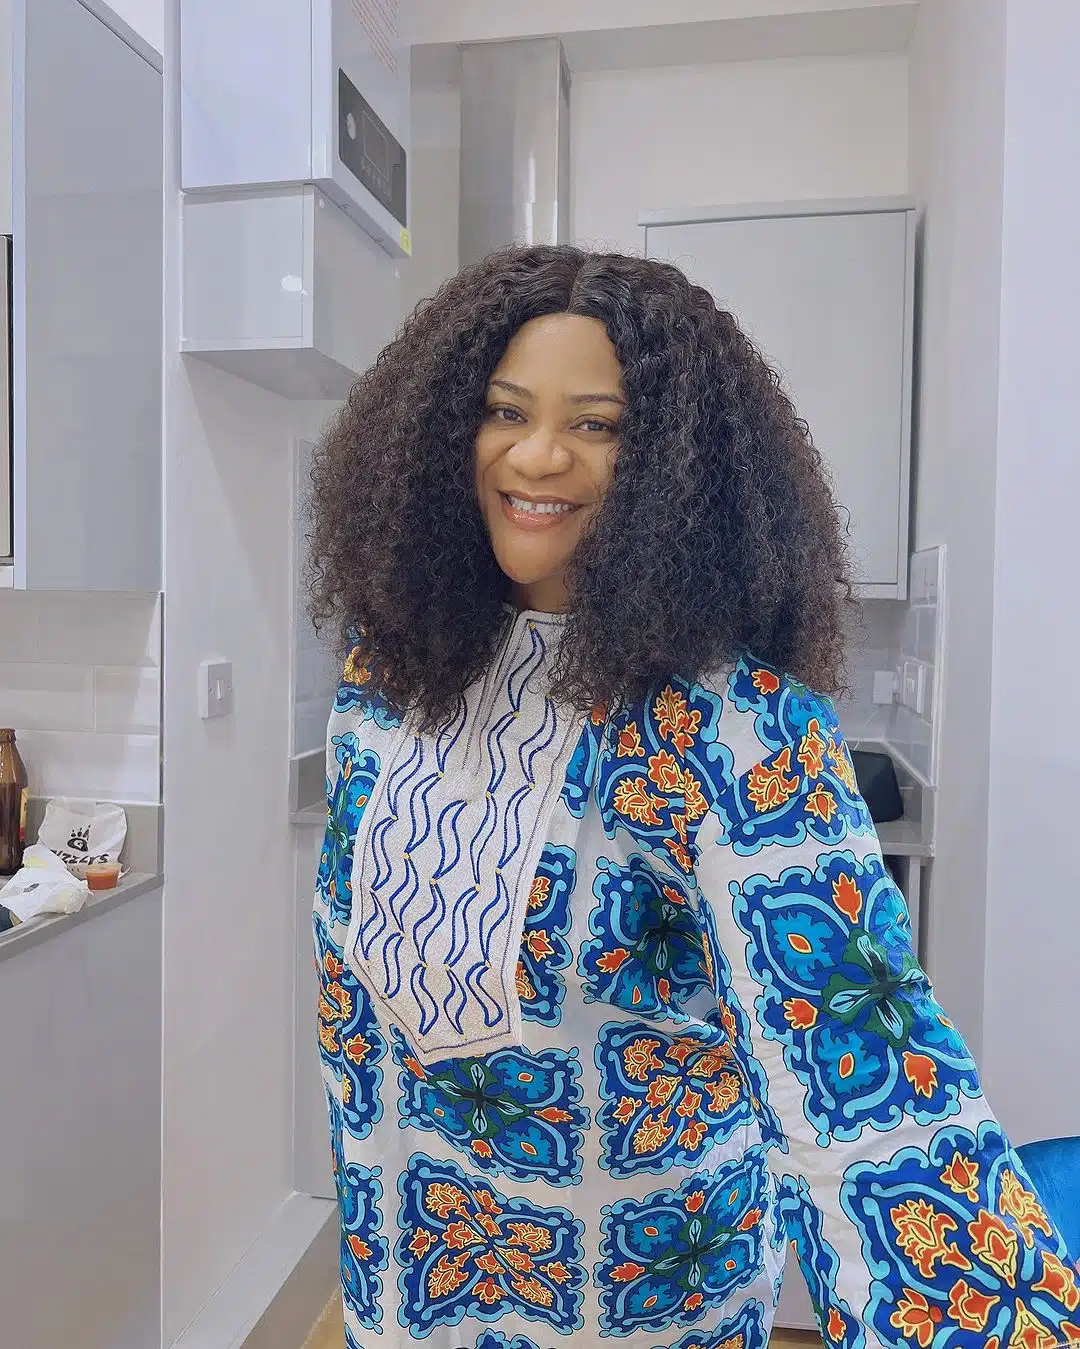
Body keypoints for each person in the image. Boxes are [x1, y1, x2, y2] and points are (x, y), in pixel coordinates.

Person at [307, 245, 1078, 1349]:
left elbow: (864, 1070)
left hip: (640, 1295)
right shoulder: (387, 679)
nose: (538, 454)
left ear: (675, 463)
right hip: (407, 1275)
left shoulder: (730, 729)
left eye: (598, 424)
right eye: (506, 411)